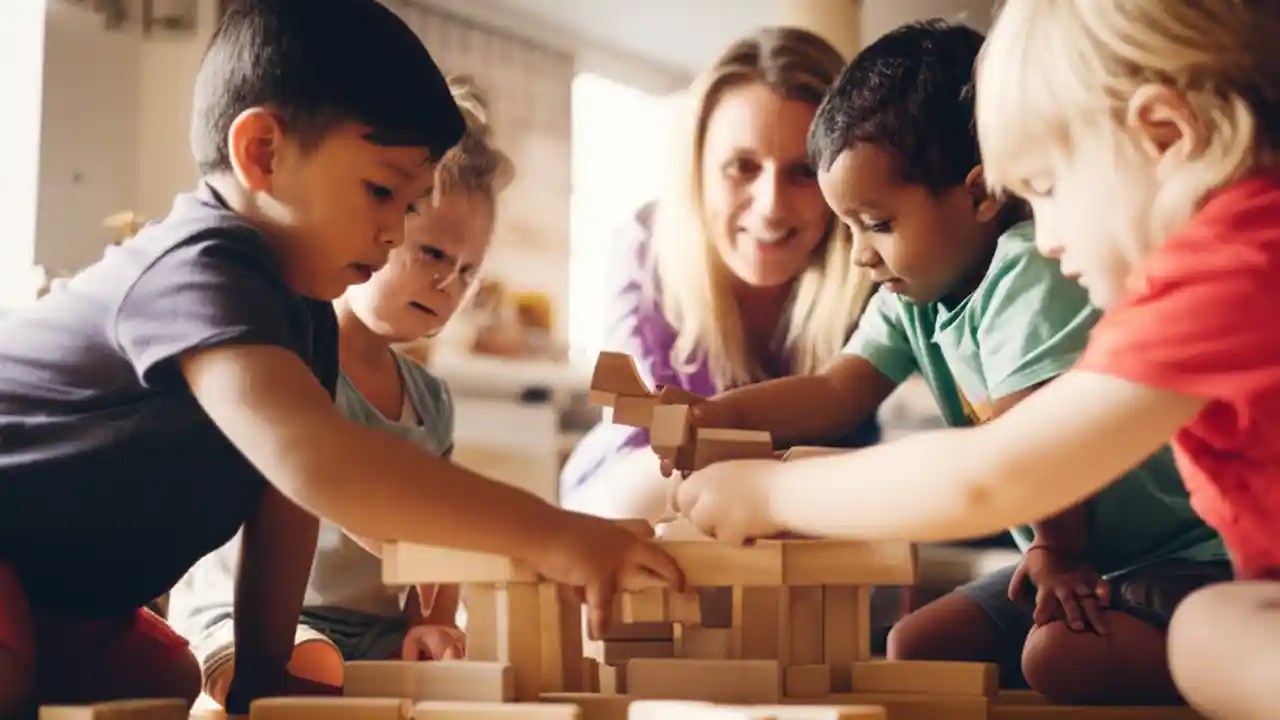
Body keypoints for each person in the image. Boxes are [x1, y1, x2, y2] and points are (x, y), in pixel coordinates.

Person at [0, 1, 680, 716]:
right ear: (262, 152)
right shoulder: (195, 269)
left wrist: (264, 674)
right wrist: (557, 534)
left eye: (411, 204)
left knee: (164, 685)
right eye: (382, 191)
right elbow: (315, 461)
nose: (393, 231)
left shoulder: (301, 317)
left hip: (62, 594)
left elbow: (286, 499)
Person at [670, 3, 1280, 718]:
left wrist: (769, 494)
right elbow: (858, 397)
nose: (1045, 238)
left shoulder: (1235, 264)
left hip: (1183, 571)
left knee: (1205, 637)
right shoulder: (1225, 265)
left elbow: (995, 477)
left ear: (1165, 136)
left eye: (1045, 190)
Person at [169, 76, 509, 706]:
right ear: (382, 227)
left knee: (467, 682)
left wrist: (429, 624)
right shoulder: (294, 359)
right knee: (318, 678)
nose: (446, 285)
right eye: (432, 253)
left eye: (467, 271)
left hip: (374, 631)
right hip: (266, 626)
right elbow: (348, 493)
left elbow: (447, 537)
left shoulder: (431, 400)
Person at [560, 27, 878, 521]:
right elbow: (659, 438)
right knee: (662, 485)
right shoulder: (648, 249)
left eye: (803, 172)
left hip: (794, 509)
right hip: (634, 492)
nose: (771, 208)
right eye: (742, 167)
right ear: (698, 172)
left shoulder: (870, 273)